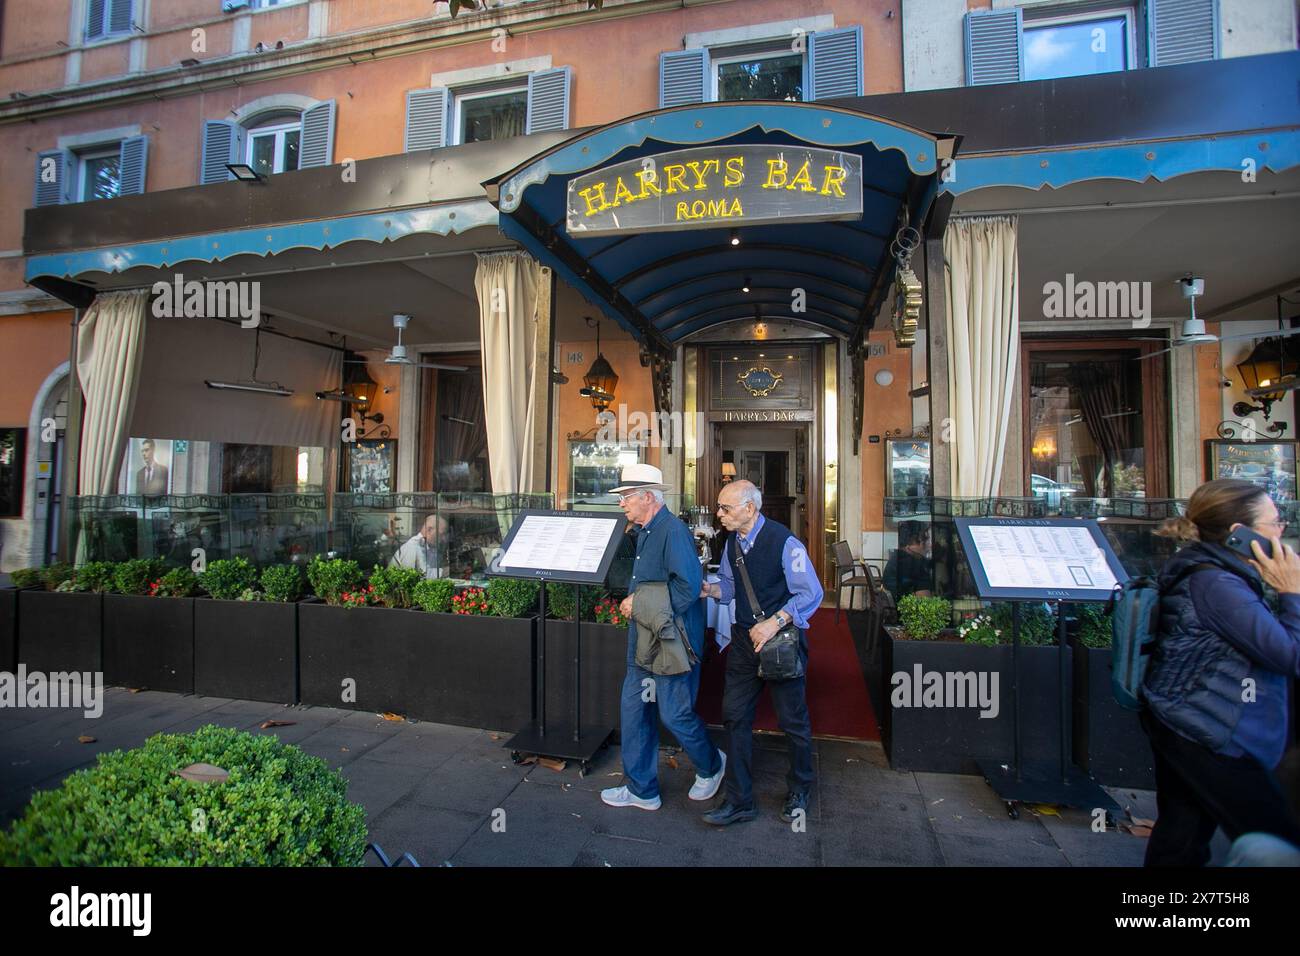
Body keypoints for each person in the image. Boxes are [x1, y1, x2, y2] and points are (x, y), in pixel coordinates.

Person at [1142, 478, 1300, 866]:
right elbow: (1291, 655)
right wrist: (1292, 593)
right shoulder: (1216, 584)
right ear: (1239, 533)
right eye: (1273, 523)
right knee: (1273, 839)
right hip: (1210, 729)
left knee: (1182, 836)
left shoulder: (1216, 572)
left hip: (1188, 717)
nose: (1282, 531)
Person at [600, 463, 725, 811]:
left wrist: (637, 601)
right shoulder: (644, 530)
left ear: (648, 498)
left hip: (672, 642)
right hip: (645, 637)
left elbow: (687, 590)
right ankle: (642, 791)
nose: (621, 503)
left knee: (674, 714)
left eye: (626, 497)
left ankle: (712, 765)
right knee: (635, 710)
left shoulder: (673, 531)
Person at [699, 479, 823, 825]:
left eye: (726, 508)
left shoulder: (785, 542)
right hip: (742, 641)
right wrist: (705, 588)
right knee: (735, 716)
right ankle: (739, 799)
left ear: (749, 509)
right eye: (719, 507)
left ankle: (800, 788)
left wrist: (775, 622)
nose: (719, 514)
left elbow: (810, 594)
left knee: (792, 720)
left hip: (779, 642)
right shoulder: (731, 543)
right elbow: (728, 586)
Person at [389, 513, 449, 579]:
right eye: (441, 534)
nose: (444, 538)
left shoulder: (430, 546)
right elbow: (417, 576)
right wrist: (447, 571)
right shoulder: (412, 547)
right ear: (429, 530)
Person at [883, 520, 932, 598]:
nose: (929, 545)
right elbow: (925, 602)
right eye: (926, 540)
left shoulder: (898, 557)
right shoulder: (915, 566)